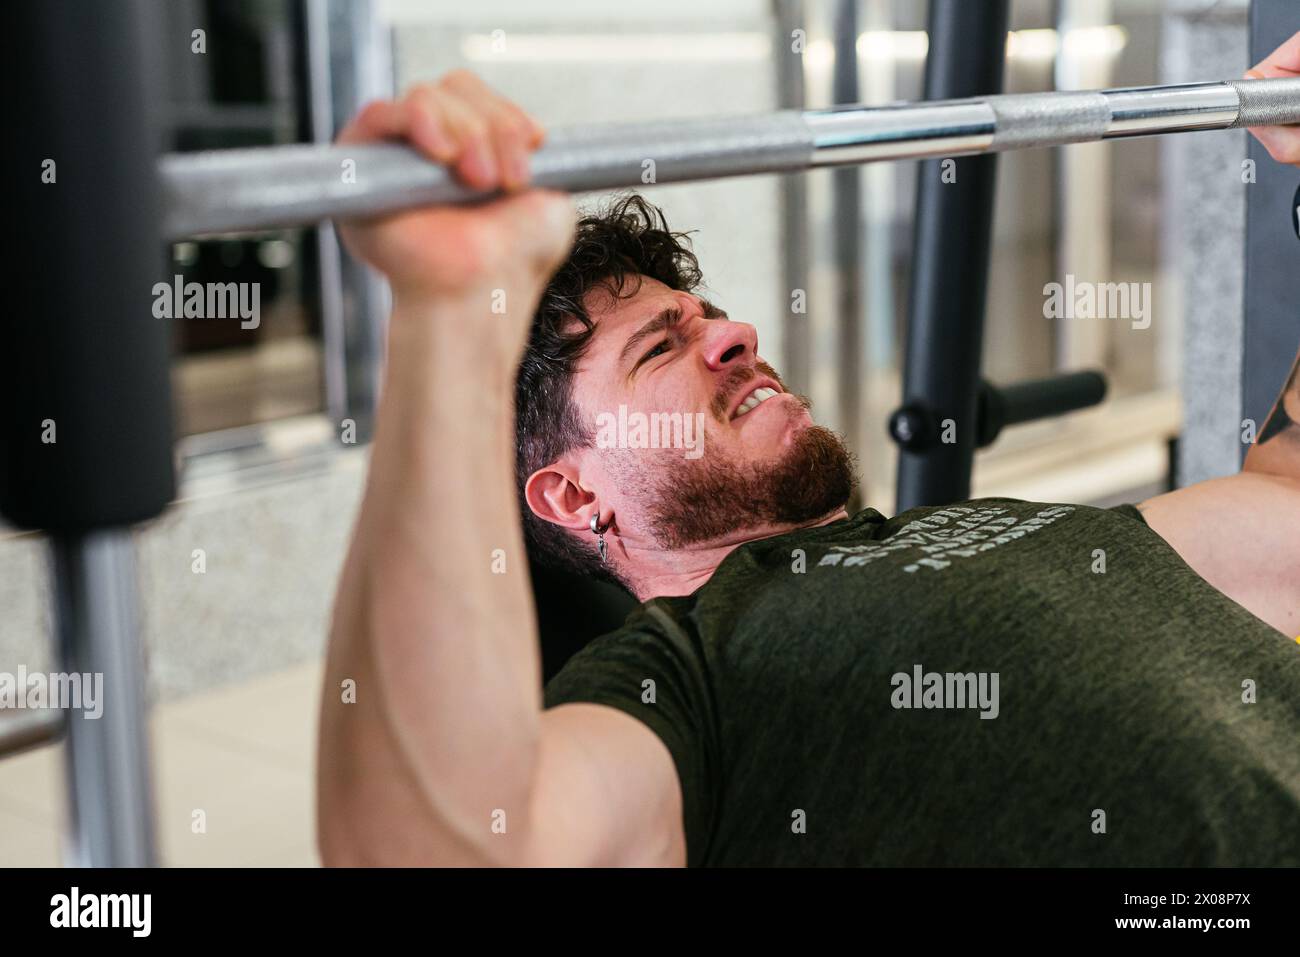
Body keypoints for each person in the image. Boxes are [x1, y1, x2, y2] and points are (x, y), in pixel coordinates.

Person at [316, 38, 1300, 867]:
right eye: (661, 345)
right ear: (573, 495)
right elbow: (452, 849)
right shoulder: (683, 678)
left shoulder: (1005, 533)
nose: (737, 333)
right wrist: (450, 306)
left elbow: (1284, 497)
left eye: (709, 317)